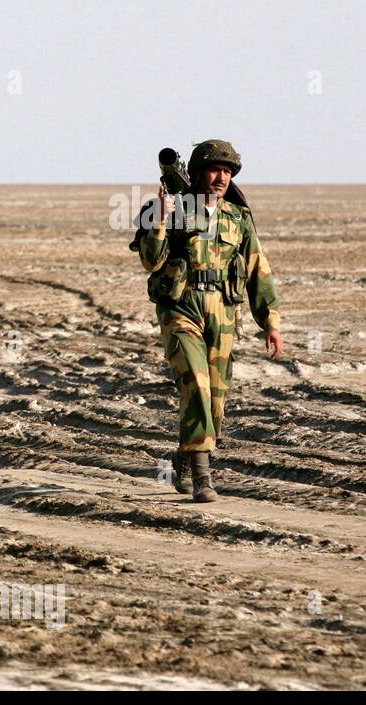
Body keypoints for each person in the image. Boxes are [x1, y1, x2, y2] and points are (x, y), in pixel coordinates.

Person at [137, 140, 283, 502]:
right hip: (180, 307)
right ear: (198, 174)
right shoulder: (167, 210)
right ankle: (204, 478)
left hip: (222, 309)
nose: (221, 177)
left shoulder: (238, 217)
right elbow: (150, 262)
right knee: (197, 386)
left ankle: (187, 456)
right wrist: (158, 220)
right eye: (215, 170)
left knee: (216, 397)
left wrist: (271, 322)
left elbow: (257, 269)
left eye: (227, 172)